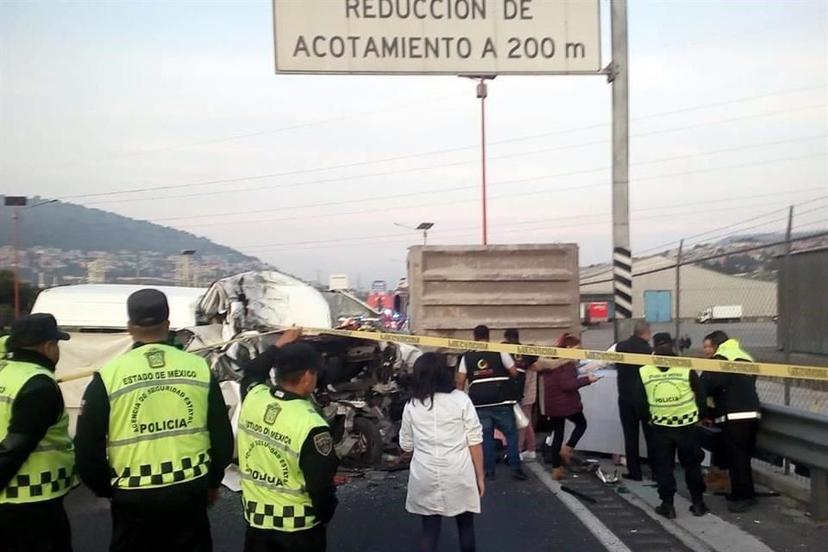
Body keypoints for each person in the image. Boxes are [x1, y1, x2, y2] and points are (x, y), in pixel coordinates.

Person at [75, 289, 234, 552]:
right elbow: (221, 437)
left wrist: (107, 489)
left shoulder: (108, 376)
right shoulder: (198, 368)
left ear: (130, 327)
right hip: (189, 490)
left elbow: (86, 447)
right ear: (168, 323)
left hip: (133, 494)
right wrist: (213, 481)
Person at [238, 331, 339, 552]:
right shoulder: (311, 425)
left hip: (256, 523)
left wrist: (279, 344)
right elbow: (321, 487)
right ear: (307, 376)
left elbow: (252, 371)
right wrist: (325, 515)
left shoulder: (254, 397)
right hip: (299, 531)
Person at [0, 314, 75, 552]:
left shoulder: (5, 373)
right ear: (48, 346)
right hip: (33, 505)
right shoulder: (37, 384)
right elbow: (15, 448)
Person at [401, 353, 484, 552]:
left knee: (429, 531)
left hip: (425, 472)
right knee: (465, 526)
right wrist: (480, 476)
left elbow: (406, 445)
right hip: (458, 470)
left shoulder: (412, 405)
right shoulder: (461, 400)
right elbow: (474, 441)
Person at [640, 333, 708, 519]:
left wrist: (648, 417)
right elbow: (700, 394)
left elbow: (641, 400)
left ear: (653, 348)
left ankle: (668, 505)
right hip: (687, 424)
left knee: (664, 467)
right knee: (692, 465)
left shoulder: (645, 370)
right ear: (672, 346)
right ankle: (698, 503)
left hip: (661, 425)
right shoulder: (684, 367)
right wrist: (701, 416)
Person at [456, 325, 527, 481]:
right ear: (488, 336)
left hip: (479, 403)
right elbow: (514, 372)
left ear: (474, 338)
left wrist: (460, 400)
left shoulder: (467, 356)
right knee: (511, 434)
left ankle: (489, 471)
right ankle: (516, 469)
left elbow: (460, 381)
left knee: (486, 437)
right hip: (502, 400)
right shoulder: (499, 350)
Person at [701, 330, 761, 513]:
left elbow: (706, 385)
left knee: (737, 458)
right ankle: (742, 493)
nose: (705, 351)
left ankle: (744, 497)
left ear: (716, 346)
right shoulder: (744, 356)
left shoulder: (721, 359)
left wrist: (705, 410)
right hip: (752, 413)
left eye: (708, 347)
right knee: (743, 457)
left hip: (734, 416)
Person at [536, 333, 600, 480]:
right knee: (581, 424)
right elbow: (567, 384)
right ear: (570, 348)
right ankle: (567, 449)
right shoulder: (567, 364)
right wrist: (588, 380)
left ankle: (556, 468)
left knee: (558, 435)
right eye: (578, 349)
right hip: (567, 404)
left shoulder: (552, 360)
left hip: (552, 404)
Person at [614, 321, 655, 481]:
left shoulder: (620, 346)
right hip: (645, 399)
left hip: (625, 397)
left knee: (630, 436)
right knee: (651, 436)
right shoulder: (649, 351)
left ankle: (634, 472)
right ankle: (656, 472)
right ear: (646, 333)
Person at [503, 329, 539, 461]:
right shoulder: (526, 352)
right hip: (528, 392)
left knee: (521, 423)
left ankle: (518, 450)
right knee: (525, 422)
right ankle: (531, 449)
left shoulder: (506, 351)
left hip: (520, 392)